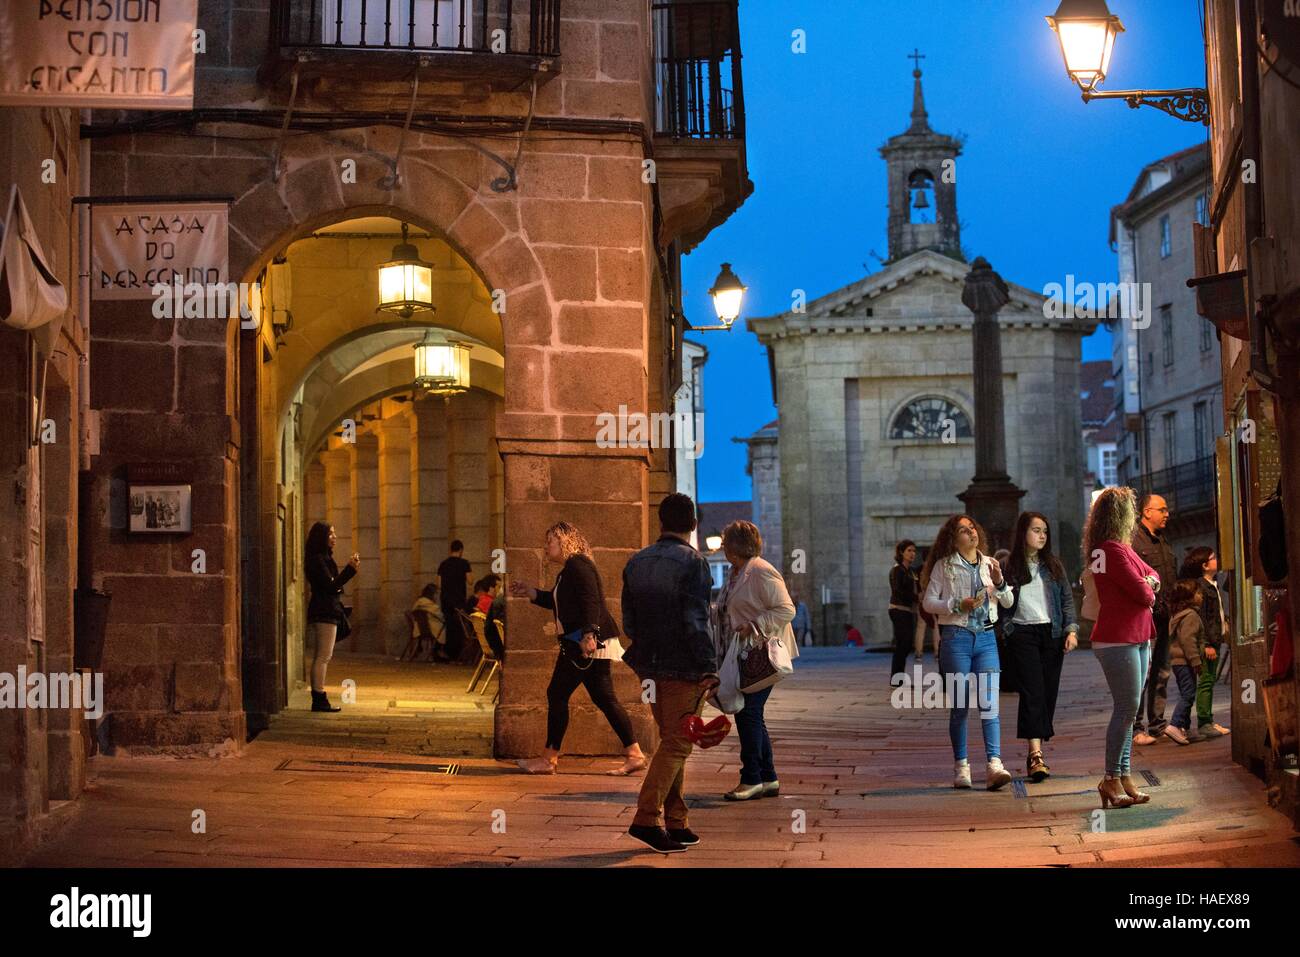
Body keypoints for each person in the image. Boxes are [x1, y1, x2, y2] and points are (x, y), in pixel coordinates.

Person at [509, 522, 647, 776]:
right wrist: (530, 592)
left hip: (585, 642)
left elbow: (590, 598)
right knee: (603, 697)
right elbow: (558, 601)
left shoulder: (577, 565)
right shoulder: (570, 569)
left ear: (564, 541)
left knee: (557, 693)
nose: (546, 546)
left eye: (550, 541)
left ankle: (549, 759)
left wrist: (589, 634)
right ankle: (634, 753)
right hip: (587, 640)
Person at [621, 493, 718, 854]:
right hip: (682, 667)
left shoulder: (636, 562)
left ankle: (677, 821)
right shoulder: (693, 563)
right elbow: (697, 622)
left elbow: (628, 620)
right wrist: (708, 667)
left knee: (670, 740)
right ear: (693, 525)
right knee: (679, 742)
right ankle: (647, 818)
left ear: (660, 522)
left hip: (648, 666)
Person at [920, 515, 1015, 791]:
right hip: (956, 639)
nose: (971, 532)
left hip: (986, 639)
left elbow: (1008, 601)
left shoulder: (989, 564)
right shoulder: (944, 566)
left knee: (989, 705)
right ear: (953, 538)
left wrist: (999, 582)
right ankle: (961, 766)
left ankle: (994, 765)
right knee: (961, 706)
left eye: (973, 527)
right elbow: (928, 602)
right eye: (963, 530)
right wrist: (956, 604)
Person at [715, 520, 799, 801]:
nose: (723, 546)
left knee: (748, 713)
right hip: (742, 653)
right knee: (752, 714)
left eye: (725, 542)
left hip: (761, 653)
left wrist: (754, 624)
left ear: (736, 545)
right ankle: (768, 777)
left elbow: (786, 609)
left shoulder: (761, 571)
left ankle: (750, 778)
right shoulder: (736, 572)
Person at [1086, 486, 1157, 809]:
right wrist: (1149, 587)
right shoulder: (1111, 550)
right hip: (1119, 636)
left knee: (1130, 710)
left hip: (1136, 634)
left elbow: (1151, 575)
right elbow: (1144, 592)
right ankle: (1110, 778)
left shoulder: (1118, 548)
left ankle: (1124, 775)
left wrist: (1148, 583)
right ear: (1121, 515)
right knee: (1126, 708)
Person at [1002, 512, 1079, 782]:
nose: (1042, 535)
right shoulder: (1009, 565)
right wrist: (1006, 630)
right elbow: (1002, 602)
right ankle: (1035, 755)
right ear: (1023, 532)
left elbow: (1067, 600)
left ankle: (1038, 748)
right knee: (1033, 691)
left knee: (1048, 693)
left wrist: (1071, 630)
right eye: (1036, 530)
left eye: (1045, 530)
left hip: (1052, 633)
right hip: (1022, 633)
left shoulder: (1053, 565)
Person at [1131, 493, 1176, 746]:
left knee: (1162, 671)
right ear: (1147, 512)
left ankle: (1157, 723)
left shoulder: (1163, 542)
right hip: (1146, 618)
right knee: (1143, 673)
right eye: (1162, 509)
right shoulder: (1135, 542)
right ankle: (1136, 727)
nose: (1167, 514)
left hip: (1165, 616)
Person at [304, 522, 360, 712]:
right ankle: (319, 698)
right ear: (322, 537)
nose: (334, 538)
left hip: (327, 609)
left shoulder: (323, 558)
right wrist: (350, 570)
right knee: (323, 656)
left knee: (323, 656)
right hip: (324, 610)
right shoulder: (317, 559)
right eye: (331, 534)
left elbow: (332, 584)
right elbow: (330, 585)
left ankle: (319, 697)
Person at [1178, 547, 1230, 738]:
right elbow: (1202, 618)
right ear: (1204, 565)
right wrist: (1207, 644)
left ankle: (1207, 719)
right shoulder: (1202, 587)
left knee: (1209, 680)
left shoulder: (1212, 584)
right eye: (1213, 558)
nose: (1217, 559)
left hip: (1215, 639)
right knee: (1206, 681)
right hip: (1209, 642)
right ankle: (1204, 722)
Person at [1167, 579, 1205, 746]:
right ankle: (1175, 724)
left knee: (1186, 693)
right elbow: (1188, 640)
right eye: (1198, 593)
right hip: (1186, 661)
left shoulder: (1178, 615)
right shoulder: (1191, 616)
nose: (1201, 596)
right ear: (1189, 597)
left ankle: (1185, 728)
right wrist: (1196, 660)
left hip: (1178, 661)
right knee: (1189, 694)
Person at [888, 539, 919, 678]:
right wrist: (915, 597)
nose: (912, 554)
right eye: (909, 550)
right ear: (901, 552)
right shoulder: (897, 570)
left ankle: (898, 677)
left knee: (906, 645)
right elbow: (898, 590)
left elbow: (917, 588)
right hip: (898, 609)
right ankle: (896, 678)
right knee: (903, 643)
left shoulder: (912, 571)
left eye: (914, 551)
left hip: (908, 610)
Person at [437, 541, 472, 660]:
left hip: (446, 600)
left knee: (450, 625)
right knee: (459, 626)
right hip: (459, 600)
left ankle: (449, 652)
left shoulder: (443, 564)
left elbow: (439, 584)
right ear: (461, 550)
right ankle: (457, 653)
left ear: (450, 550)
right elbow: (470, 581)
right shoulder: (464, 564)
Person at [410, 582, 448, 661]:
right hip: (431, 629)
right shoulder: (432, 606)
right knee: (445, 629)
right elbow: (441, 617)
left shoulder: (419, 602)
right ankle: (439, 650)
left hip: (419, 629)